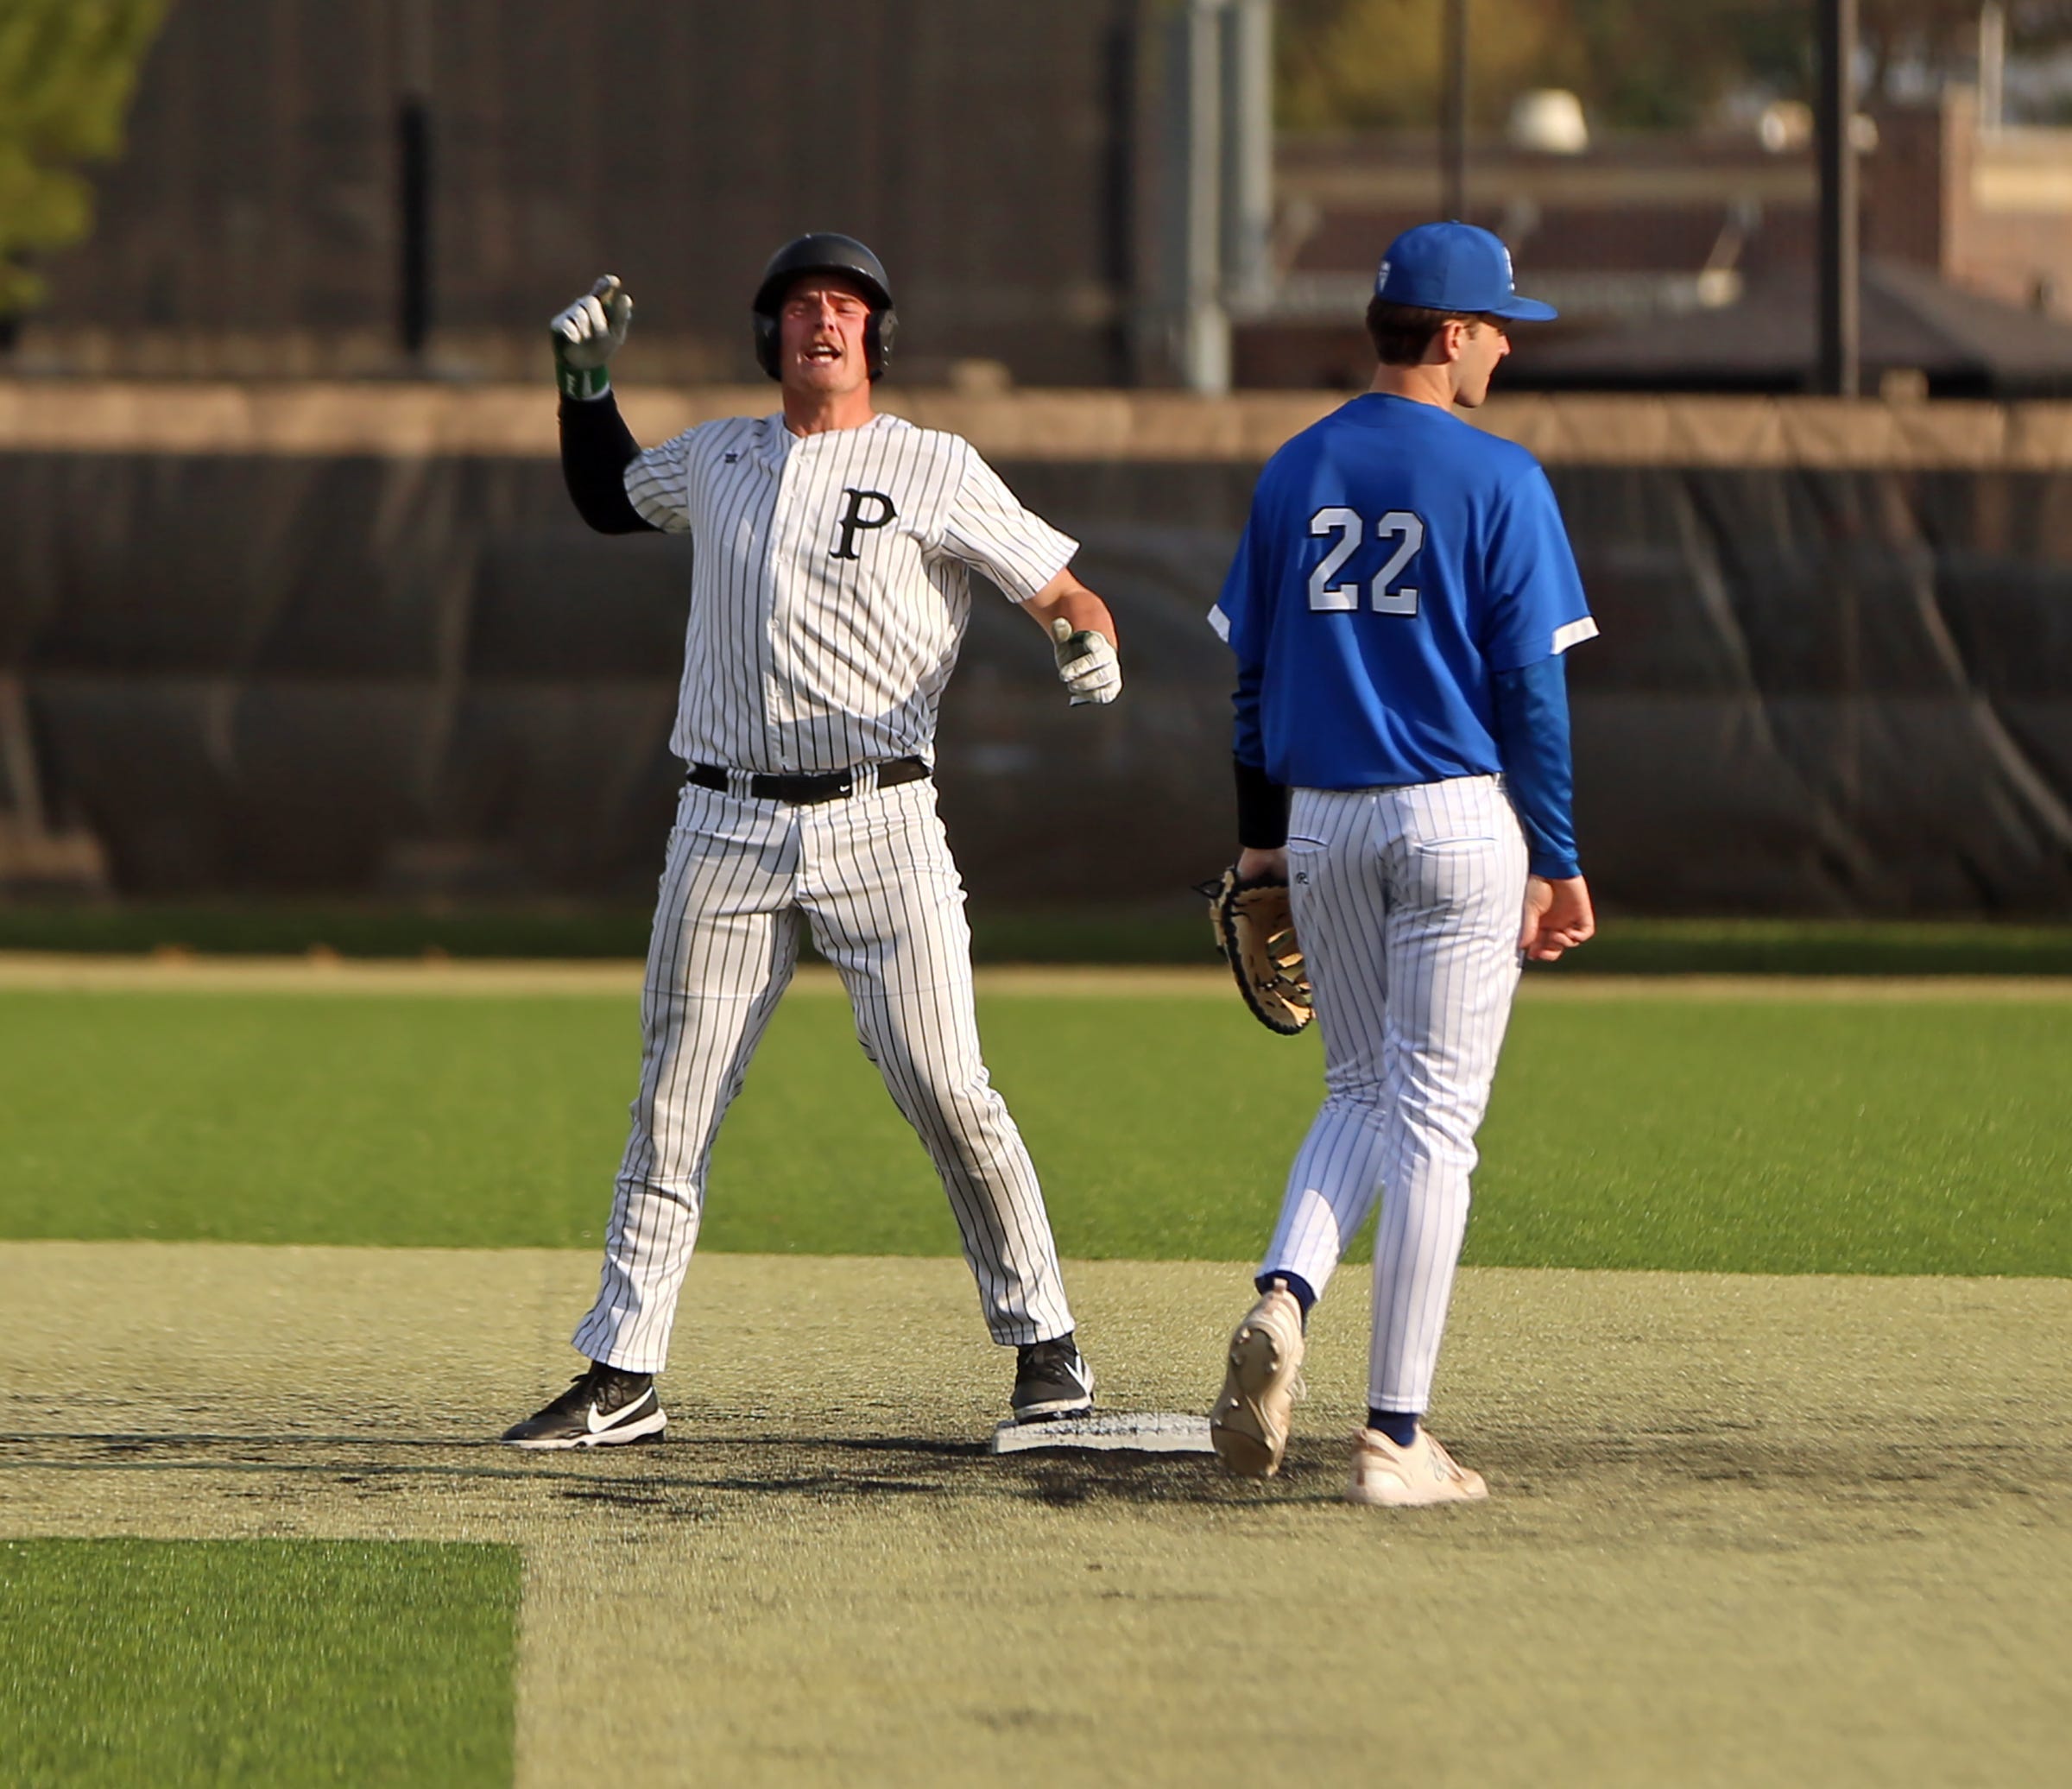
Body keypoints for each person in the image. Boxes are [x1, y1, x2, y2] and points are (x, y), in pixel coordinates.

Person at [503, 233, 1122, 1448]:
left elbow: (1060, 589)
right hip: (724, 821)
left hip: (881, 818)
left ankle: (1048, 1349)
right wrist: (585, 392)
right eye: (798, 307)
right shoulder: (724, 454)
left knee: (947, 1086)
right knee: (673, 1105)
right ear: (769, 335)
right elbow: (608, 499)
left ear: (876, 338)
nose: (821, 323)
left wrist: (1083, 640)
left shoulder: (934, 464)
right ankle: (623, 1371)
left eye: (844, 306)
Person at [1204, 221, 1597, 1506]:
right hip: (1452, 820)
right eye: (1495, 327)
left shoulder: (1292, 467)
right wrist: (1562, 855)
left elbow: (1252, 685)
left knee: (1360, 1091)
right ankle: (1394, 1436)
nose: (1502, 347)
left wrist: (1262, 835)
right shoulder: (1499, 478)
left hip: (1321, 818)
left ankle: (1284, 1294)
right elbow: (1532, 697)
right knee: (1435, 1123)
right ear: (1445, 333)